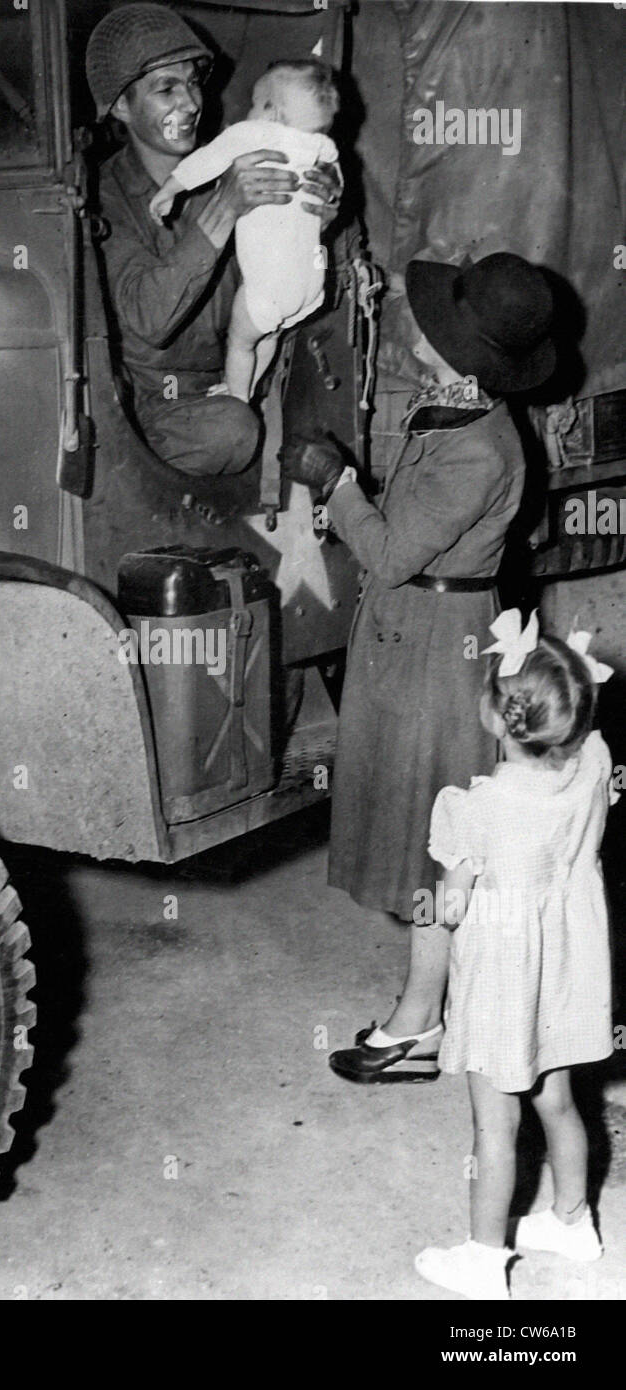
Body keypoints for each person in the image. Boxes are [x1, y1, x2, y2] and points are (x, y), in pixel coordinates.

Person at [308, 251, 558, 1083]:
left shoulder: (480, 450)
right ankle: (432, 1010)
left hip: (435, 652)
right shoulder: (455, 405)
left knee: (435, 845)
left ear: (464, 353)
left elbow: (385, 550)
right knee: (425, 838)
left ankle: (420, 1023)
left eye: (437, 322)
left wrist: (336, 483)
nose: (420, 325)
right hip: (412, 635)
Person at [413, 611, 614, 1299]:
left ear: (500, 719)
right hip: (566, 963)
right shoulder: (594, 761)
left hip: (504, 979)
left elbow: (448, 908)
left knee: (493, 1122)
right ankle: (572, 1221)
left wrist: (448, 881)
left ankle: (480, 1258)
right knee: (557, 1098)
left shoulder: (480, 808)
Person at [85, 3, 341, 477]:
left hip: (243, 376)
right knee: (231, 430)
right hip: (157, 407)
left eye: (192, 83)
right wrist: (223, 210)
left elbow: (281, 280)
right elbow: (150, 320)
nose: (190, 103)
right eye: (166, 88)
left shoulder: (235, 159)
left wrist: (315, 223)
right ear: (122, 105)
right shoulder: (103, 197)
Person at [149, 60, 342, 402]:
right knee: (269, 336)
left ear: (271, 111)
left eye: (254, 103)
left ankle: (236, 400)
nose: (249, 111)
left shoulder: (252, 135)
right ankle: (249, 388)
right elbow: (335, 180)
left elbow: (209, 159)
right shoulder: (321, 148)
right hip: (310, 283)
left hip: (268, 285)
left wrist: (170, 189)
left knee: (241, 342)